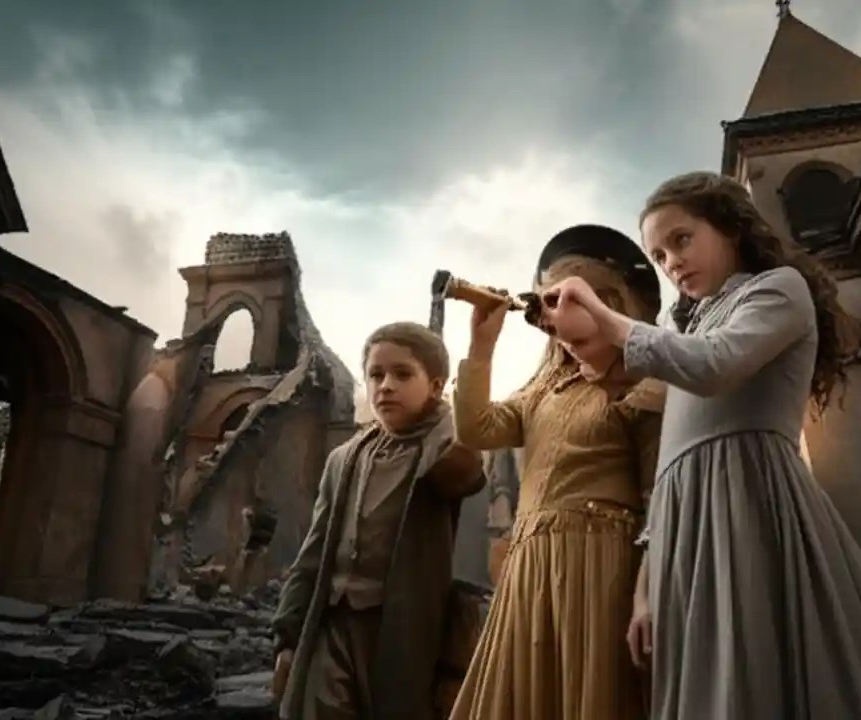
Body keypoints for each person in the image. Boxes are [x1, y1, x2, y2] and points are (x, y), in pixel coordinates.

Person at [545, 172, 861, 719]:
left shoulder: (777, 289)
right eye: (659, 254)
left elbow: (715, 366)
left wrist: (602, 312)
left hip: (749, 504)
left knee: (769, 671)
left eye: (682, 239)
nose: (672, 262)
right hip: (684, 528)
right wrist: (647, 587)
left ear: (731, 229)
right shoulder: (688, 328)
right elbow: (669, 466)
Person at [449, 225, 665, 720]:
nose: (552, 319)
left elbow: (661, 496)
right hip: (529, 567)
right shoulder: (545, 388)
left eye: (565, 300)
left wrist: (646, 589)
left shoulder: (644, 384)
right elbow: (477, 428)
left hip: (600, 565)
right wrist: (481, 348)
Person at [270, 321, 486, 720]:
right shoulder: (344, 460)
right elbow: (313, 553)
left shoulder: (442, 453)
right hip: (332, 626)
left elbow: (469, 468)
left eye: (403, 374)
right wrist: (287, 634)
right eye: (376, 374)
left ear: (437, 386)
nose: (386, 385)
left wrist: (448, 408)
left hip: (400, 633)